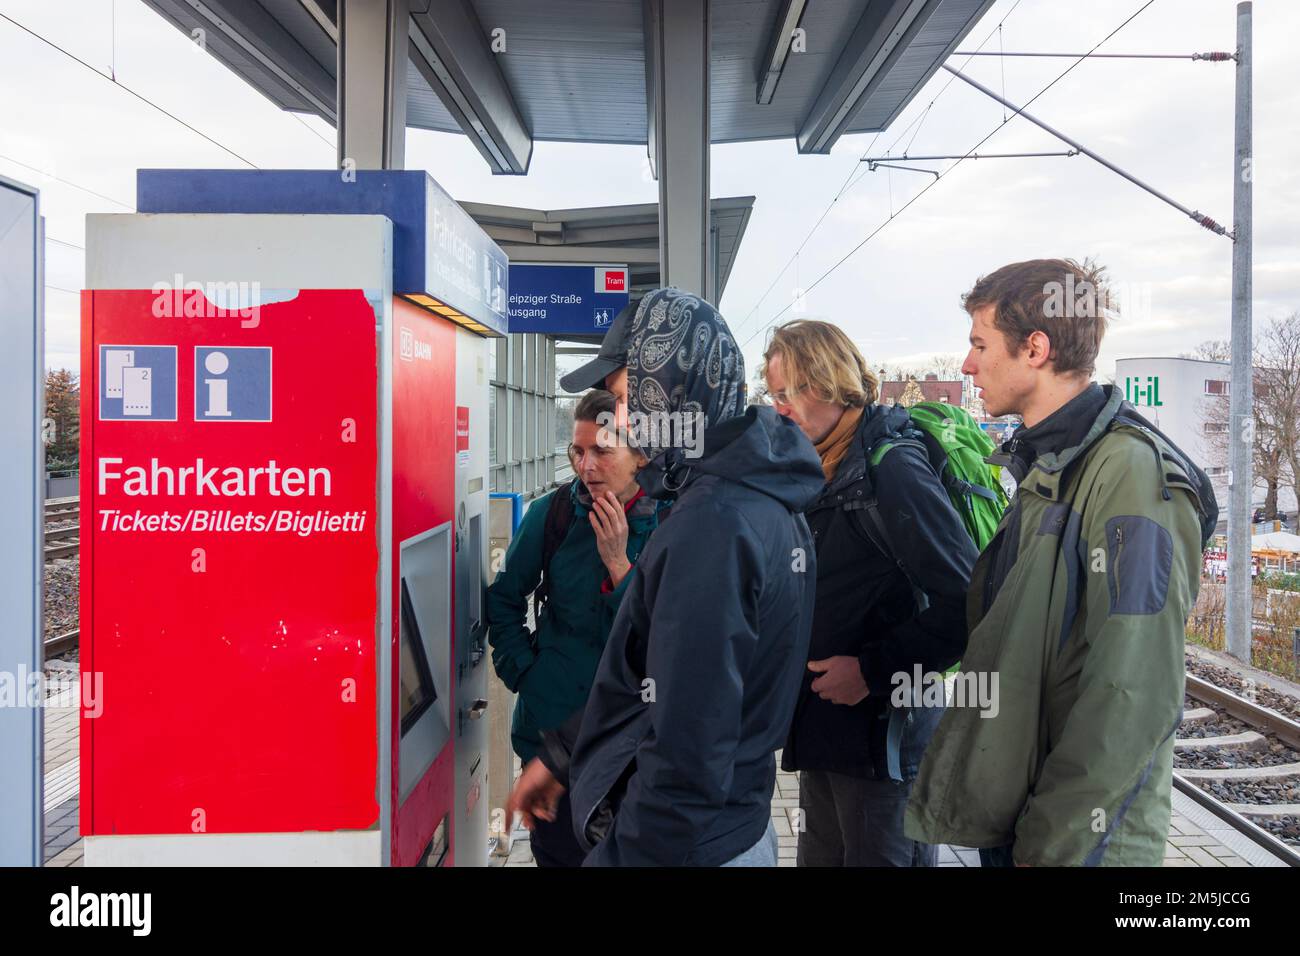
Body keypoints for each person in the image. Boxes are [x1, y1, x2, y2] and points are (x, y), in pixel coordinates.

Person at [905, 258, 1218, 866]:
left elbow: (1134, 688)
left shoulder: (1130, 473)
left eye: (979, 343)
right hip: (1031, 817)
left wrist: (1055, 837)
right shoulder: (1050, 464)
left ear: (1036, 348)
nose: (967, 364)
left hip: (1080, 843)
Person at [507, 287, 825, 866]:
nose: (623, 420)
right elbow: (666, 681)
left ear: (673, 389)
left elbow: (686, 754)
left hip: (690, 847)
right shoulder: (762, 493)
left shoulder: (714, 525)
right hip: (736, 825)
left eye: (630, 396)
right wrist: (562, 755)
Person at [761, 319, 977, 866]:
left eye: (789, 393)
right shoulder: (823, 462)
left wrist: (872, 670)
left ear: (829, 383)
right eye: (773, 394)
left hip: (885, 740)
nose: (779, 407)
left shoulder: (893, 467)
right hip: (827, 730)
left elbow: (970, 600)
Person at [486, 389, 665, 867]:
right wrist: (525, 672)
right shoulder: (555, 513)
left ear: (640, 455)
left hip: (635, 746)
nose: (585, 466)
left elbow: (666, 634)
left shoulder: (671, 521)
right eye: (577, 451)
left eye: (602, 451)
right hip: (552, 741)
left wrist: (619, 566)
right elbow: (503, 598)